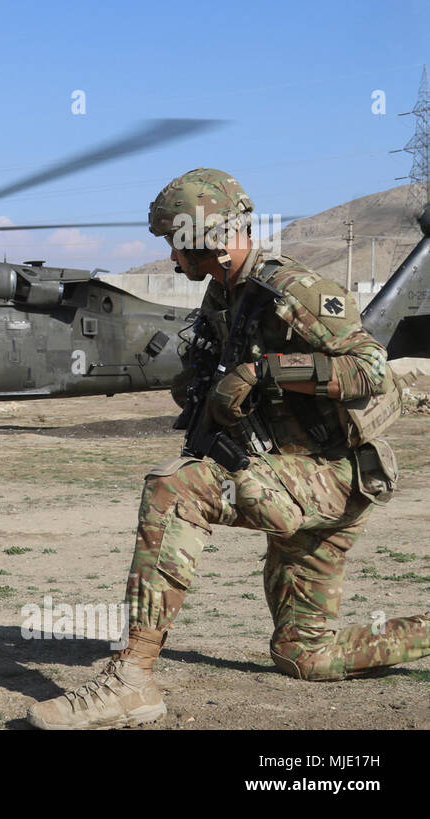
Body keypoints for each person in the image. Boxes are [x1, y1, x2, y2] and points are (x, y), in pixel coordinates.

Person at [27, 168, 418, 730]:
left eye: (172, 242)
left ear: (200, 238)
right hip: (291, 471)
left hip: (332, 474)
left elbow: (369, 369)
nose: (169, 257)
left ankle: (132, 679)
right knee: (302, 654)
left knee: (176, 487)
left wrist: (264, 372)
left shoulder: (290, 290)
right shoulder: (224, 297)